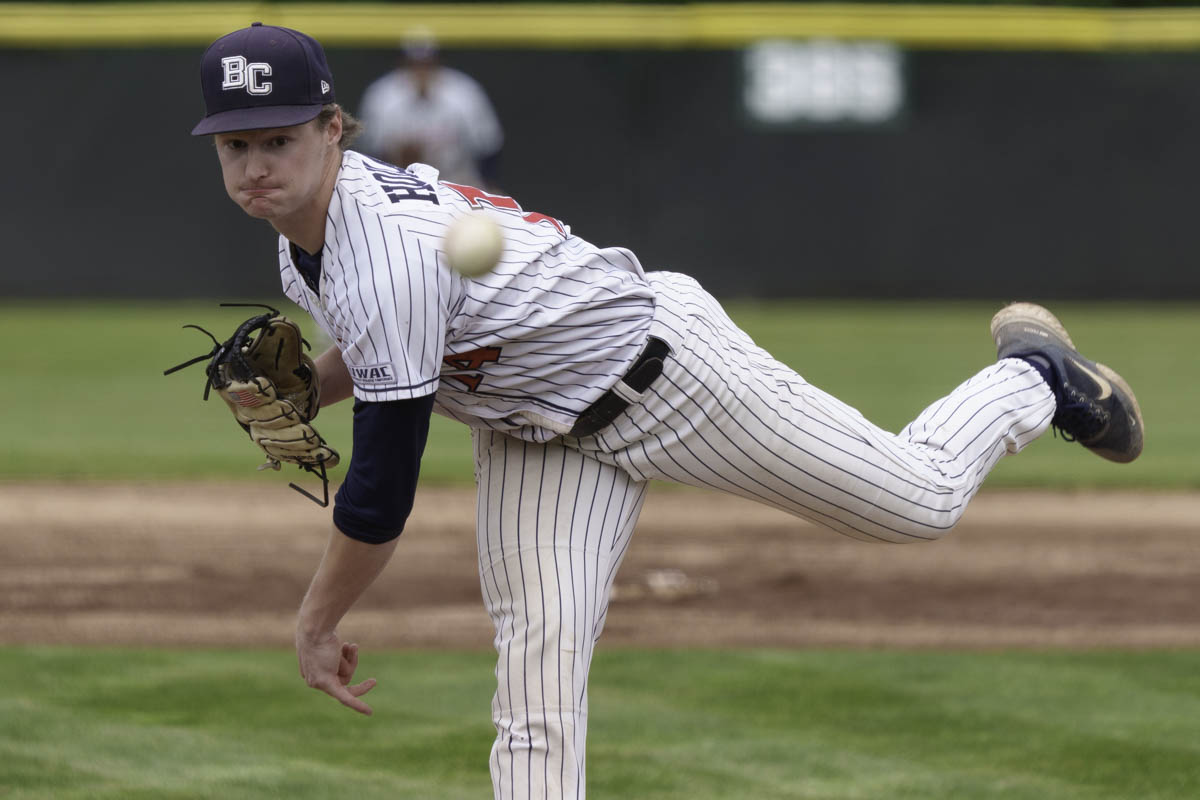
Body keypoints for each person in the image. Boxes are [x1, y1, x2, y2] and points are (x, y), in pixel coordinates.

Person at [191, 23, 1143, 799]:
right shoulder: (303, 239)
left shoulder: (384, 250)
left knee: (919, 501)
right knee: (536, 681)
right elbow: (389, 344)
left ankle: (1033, 378)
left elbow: (379, 497)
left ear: (333, 128)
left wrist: (316, 622)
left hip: (665, 374)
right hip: (534, 432)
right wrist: (307, 389)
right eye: (237, 146)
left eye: (279, 139)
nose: (257, 167)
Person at [357, 28, 504, 189]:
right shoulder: (382, 96)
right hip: (400, 182)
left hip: (458, 181)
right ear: (402, 63)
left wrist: (490, 185)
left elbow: (488, 147)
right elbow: (370, 152)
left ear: (438, 61)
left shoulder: (464, 93)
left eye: (427, 64)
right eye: (414, 65)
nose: (421, 72)